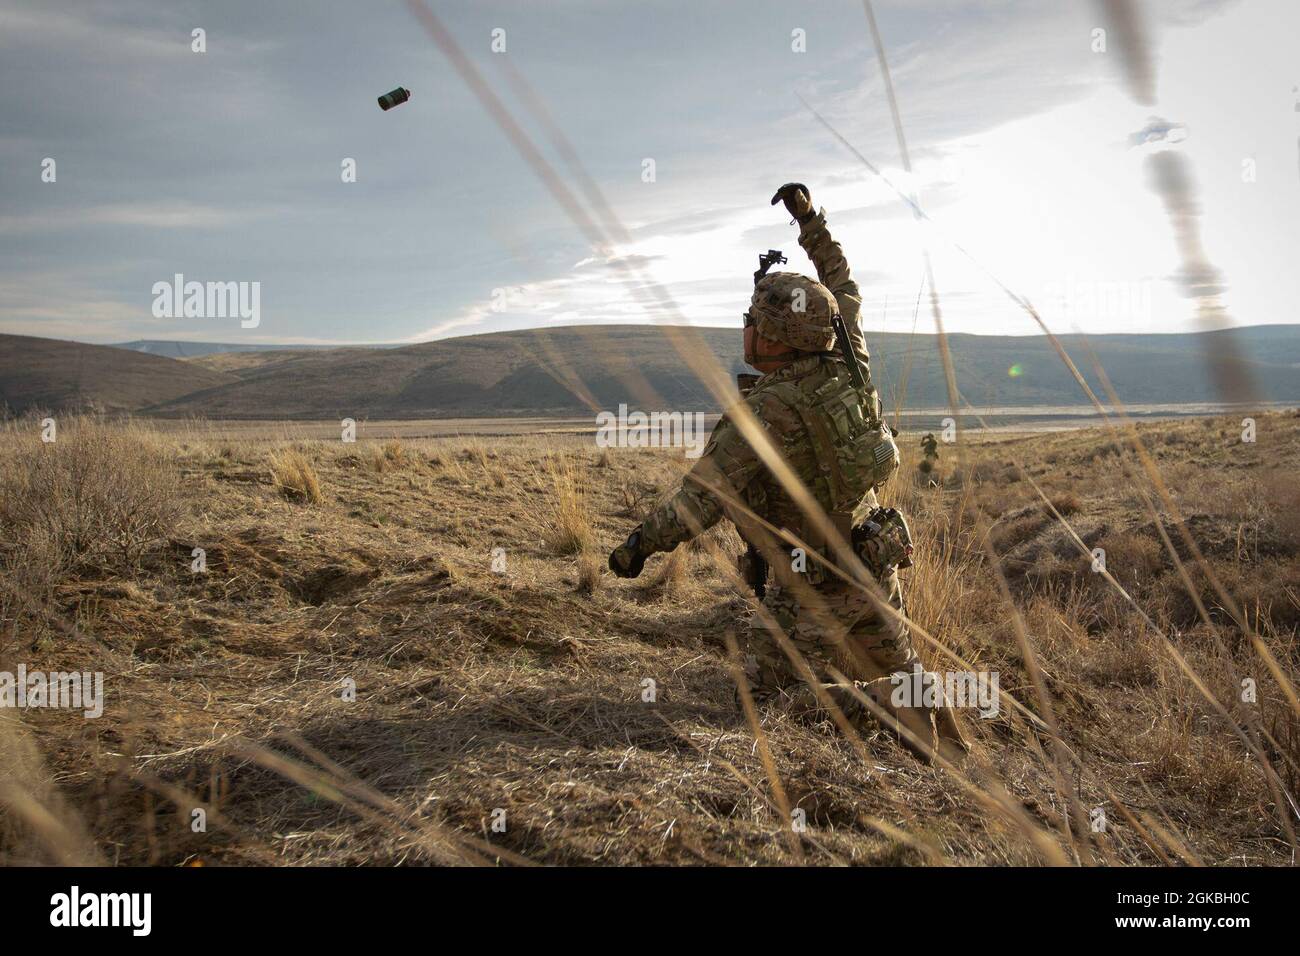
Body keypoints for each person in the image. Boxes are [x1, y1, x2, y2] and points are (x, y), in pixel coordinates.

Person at [608, 184, 966, 760]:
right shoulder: (850, 361)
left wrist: (635, 548)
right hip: (875, 553)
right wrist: (810, 220)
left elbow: (700, 501)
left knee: (776, 696)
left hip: (813, 581)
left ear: (775, 339)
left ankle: (878, 714)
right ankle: (950, 753)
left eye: (754, 322)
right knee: (903, 665)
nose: (747, 331)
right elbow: (841, 284)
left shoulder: (764, 413)